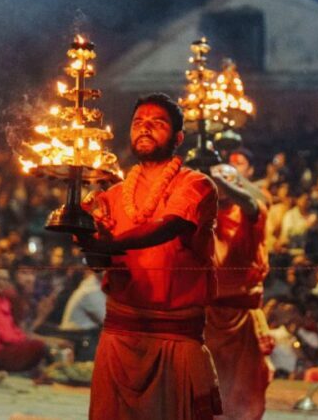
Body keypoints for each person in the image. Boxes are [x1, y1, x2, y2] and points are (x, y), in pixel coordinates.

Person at [77, 93, 221, 419]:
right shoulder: (111, 195)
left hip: (176, 335)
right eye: (139, 123)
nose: (145, 128)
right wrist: (86, 235)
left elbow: (167, 227)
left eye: (157, 123)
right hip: (121, 331)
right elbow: (99, 264)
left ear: (178, 138)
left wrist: (108, 245)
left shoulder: (197, 185)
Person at [204, 163, 273, 420]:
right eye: (216, 185)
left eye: (225, 186)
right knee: (207, 385)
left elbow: (253, 206)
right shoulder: (204, 213)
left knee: (244, 390)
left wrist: (231, 185)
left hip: (242, 317)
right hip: (209, 314)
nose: (220, 191)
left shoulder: (250, 213)